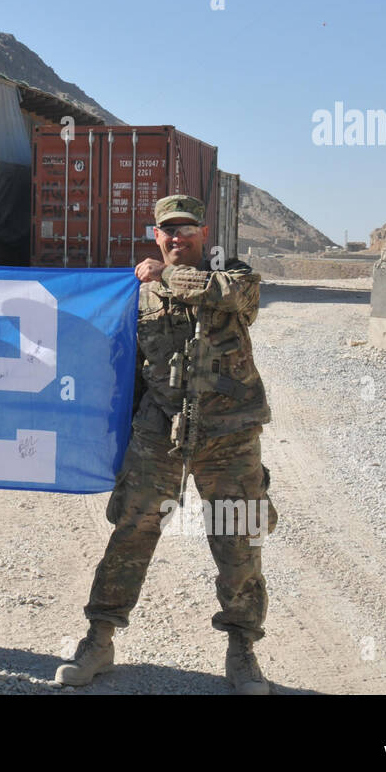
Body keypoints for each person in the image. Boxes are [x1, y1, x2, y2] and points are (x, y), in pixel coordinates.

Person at [54, 194, 278, 693]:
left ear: (204, 235)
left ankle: (242, 649)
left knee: (237, 542)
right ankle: (99, 638)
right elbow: (123, 368)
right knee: (131, 532)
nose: (177, 238)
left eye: (187, 230)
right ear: (155, 236)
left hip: (230, 435)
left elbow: (229, 295)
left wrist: (164, 276)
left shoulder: (233, 276)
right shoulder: (135, 296)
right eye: (167, 231)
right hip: (161, 432)